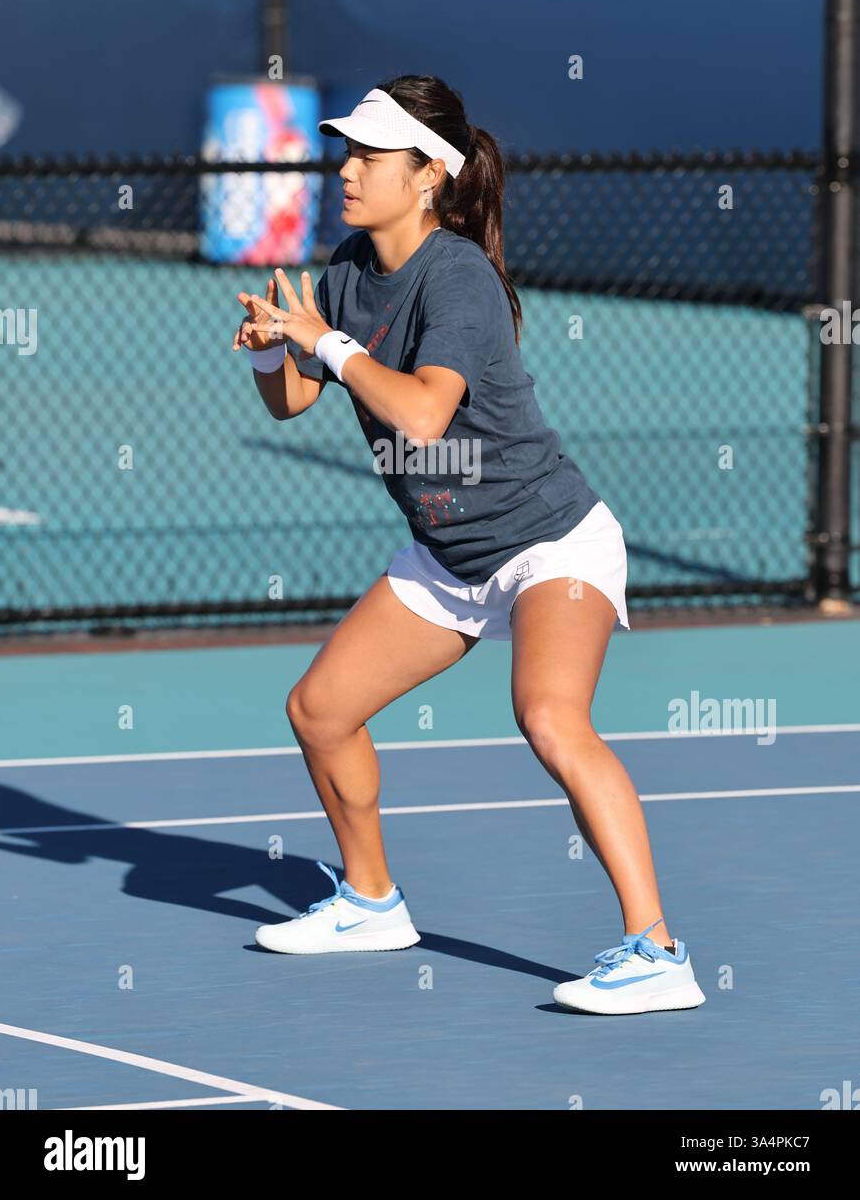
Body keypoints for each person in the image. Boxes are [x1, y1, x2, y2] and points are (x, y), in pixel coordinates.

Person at [232, 75, 705, 1015]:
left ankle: (658, 952)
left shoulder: (460, 278)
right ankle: (370, 901)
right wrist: (266, 348)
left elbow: (423, 412)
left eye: (371, 156)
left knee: (549, 716)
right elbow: (293, 401)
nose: (350, 169)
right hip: (450, 554)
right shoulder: (345, 271)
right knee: (320, 709)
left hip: (549, 542)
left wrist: (326, 345)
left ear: (428, 178)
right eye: (348, 152)